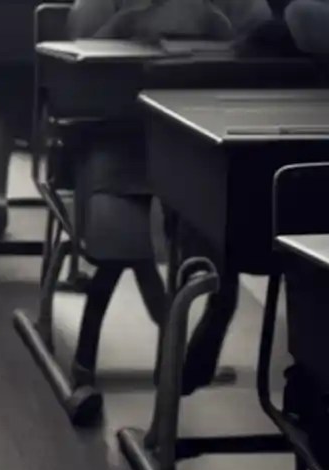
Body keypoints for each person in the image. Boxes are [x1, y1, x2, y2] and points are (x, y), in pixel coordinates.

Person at [65, 0, 270, 393]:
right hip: (121, 139)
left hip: (196, 143)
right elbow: (80, 74)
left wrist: (217, 28)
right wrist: (127, 22)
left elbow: (257, 43)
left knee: (214, 242)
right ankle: (85, 361)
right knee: (119, 240)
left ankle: (180, 350)